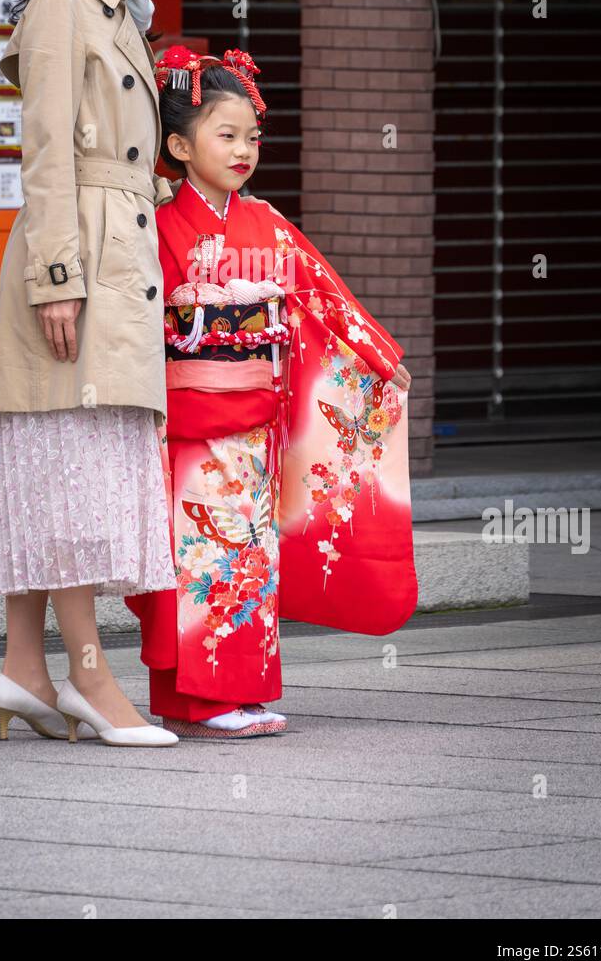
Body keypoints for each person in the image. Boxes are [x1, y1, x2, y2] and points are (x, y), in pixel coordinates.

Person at [124, 46, 417, 737]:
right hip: (186, 423)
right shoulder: (159, 228)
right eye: (225, 135)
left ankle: (238, 693)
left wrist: (378, 356)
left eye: (251, 136)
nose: (243, 149)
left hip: (252, 423)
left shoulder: (267, 223)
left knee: (250, 555)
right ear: (177, 144)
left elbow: (323, 294)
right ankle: (196, 698)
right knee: (199, 558)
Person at [0, 0, 183, 748]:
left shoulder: (118, 8)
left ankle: (25, 670)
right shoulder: (69, 4)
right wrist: (56, 280)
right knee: (76, 471)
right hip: (83, 265)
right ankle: (91, 680)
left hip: (111, 257)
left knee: (56, 464)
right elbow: (48, 151)